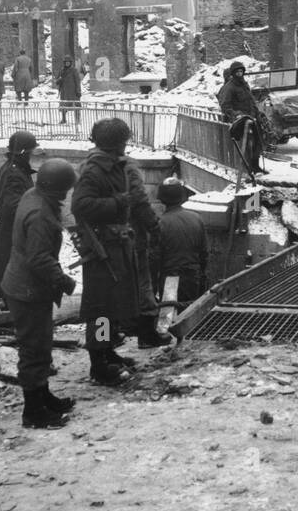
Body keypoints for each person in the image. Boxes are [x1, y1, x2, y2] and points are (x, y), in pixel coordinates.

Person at [0, 159, 79, 429]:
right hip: (27, 289)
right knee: (33, 349)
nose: (68, 194)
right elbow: (39, 259)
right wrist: (64, 280)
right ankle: (33, 412)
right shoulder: (41, 216)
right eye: (67, 189)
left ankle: (43, 396)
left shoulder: (33, 195)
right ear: (58, 189)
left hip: (26, 286)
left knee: (41, 345)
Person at [71, 118, 142, 386]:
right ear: (114, 144)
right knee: (101, 308)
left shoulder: (112, 166)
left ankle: (108, 351)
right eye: (123, 141)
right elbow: (81, 205)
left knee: (113, 305)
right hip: (102, 250)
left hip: (115, 246)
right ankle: (99, 363)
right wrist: (118, 202)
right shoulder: (94, 170)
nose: (126, 145)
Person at [0, 131, 41, 298]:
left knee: (6, 274)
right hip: (11, 233)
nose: (32, 155)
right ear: (24, 153)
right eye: (31, 152)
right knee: (9, 275)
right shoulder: (14, 173)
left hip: (8, 230)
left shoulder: (12, 169)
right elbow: (11, 206)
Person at [125, 159, 170, 347]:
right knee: (144, 286)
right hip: (131, 238)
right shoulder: (125, 168)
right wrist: (154, 228)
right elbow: (141, 202)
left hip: (103, 244)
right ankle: (146, 336)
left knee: (106, 296)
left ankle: (104, 345)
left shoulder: (88, 168)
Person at [156, 178, 210, 306]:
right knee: (191, 315)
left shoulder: (160, 224)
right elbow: (205, 254)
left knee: (168, 318)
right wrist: (202, 277)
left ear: (162, 198)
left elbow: (155, 259)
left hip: (170, 279)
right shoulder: (196, 218)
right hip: (193, 277)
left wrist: (152, 287)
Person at [216, 61, 265, 175]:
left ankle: (256, 166)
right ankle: (247, 169)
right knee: (247, 144)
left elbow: (251, 100)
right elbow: (225, 105)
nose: (239, 74)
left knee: (257, 143)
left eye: (241, 71)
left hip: (252, 118)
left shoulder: (245, 85)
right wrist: (237, 115)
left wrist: (257, 113)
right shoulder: (229, 87)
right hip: (242, 121)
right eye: (237, 72)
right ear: (233, 73)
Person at [55, 55, 83, 123]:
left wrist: (78, 91)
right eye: (66, 62)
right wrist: (59, 80)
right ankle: (64, 119)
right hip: (64, 91)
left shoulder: (74, 70)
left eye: (68, 62)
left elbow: (77, 81)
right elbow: (57, 80)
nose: (67, 63)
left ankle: (77, 119)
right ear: (64, 63)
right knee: (63, 106)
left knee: (76, 106)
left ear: (70, 62)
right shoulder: (62, 70)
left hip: (73, 92)